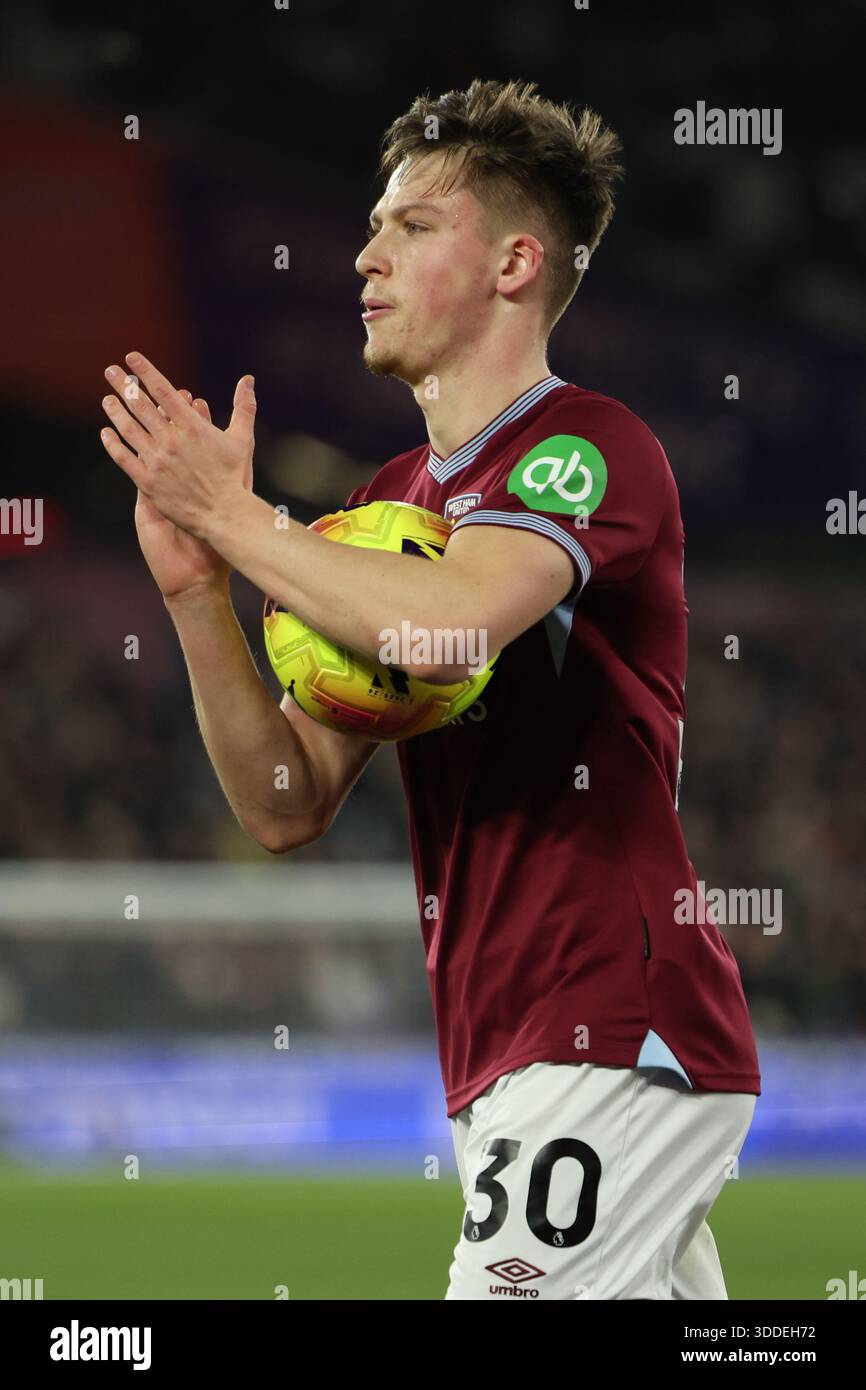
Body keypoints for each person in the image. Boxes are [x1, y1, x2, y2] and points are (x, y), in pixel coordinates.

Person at [100, 77, 760, 1300]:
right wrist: (198, 591)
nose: (364, 254)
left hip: (607, 1021)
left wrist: (239, 516)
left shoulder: (584, 444)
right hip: (502, 1040)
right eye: (370, 225)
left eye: (409, 225)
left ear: (515, 262)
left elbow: (446, 627)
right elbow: (283, 803)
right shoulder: (381, 507)